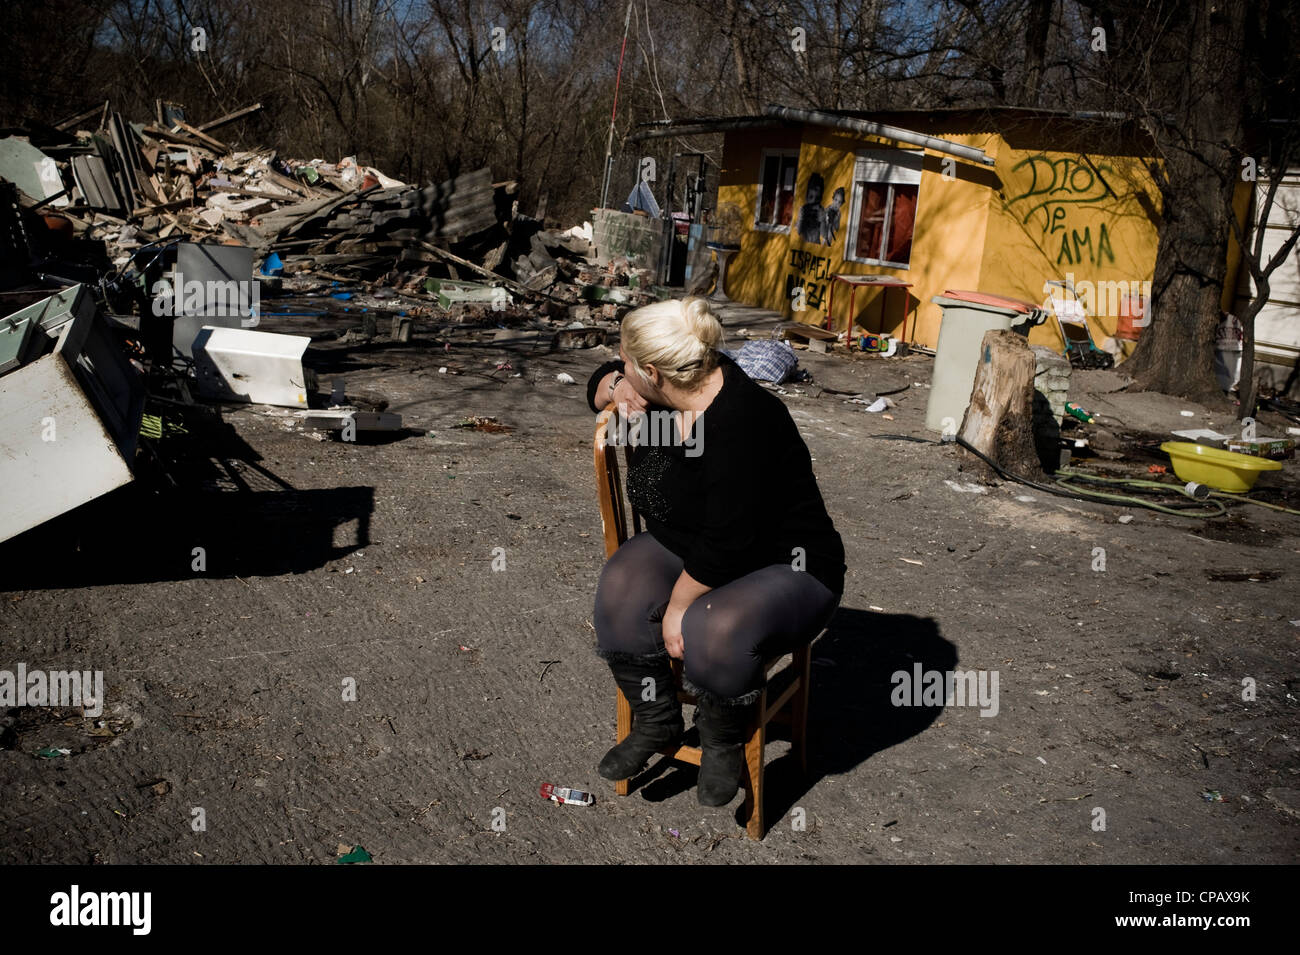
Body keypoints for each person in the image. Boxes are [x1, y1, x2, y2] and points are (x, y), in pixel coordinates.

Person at [586, 296, 845, 807]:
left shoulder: (742, 422)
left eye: (628, 363)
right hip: (694, 543)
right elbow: (601, 379)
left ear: (655, 372)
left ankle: (722, 740)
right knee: (619, 588)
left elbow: (729, 544)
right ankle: (656, 720)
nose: (621, 366)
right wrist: (616, 385)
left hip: (785, 562)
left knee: (712, 627)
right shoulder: (678, 382)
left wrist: (678, 608)